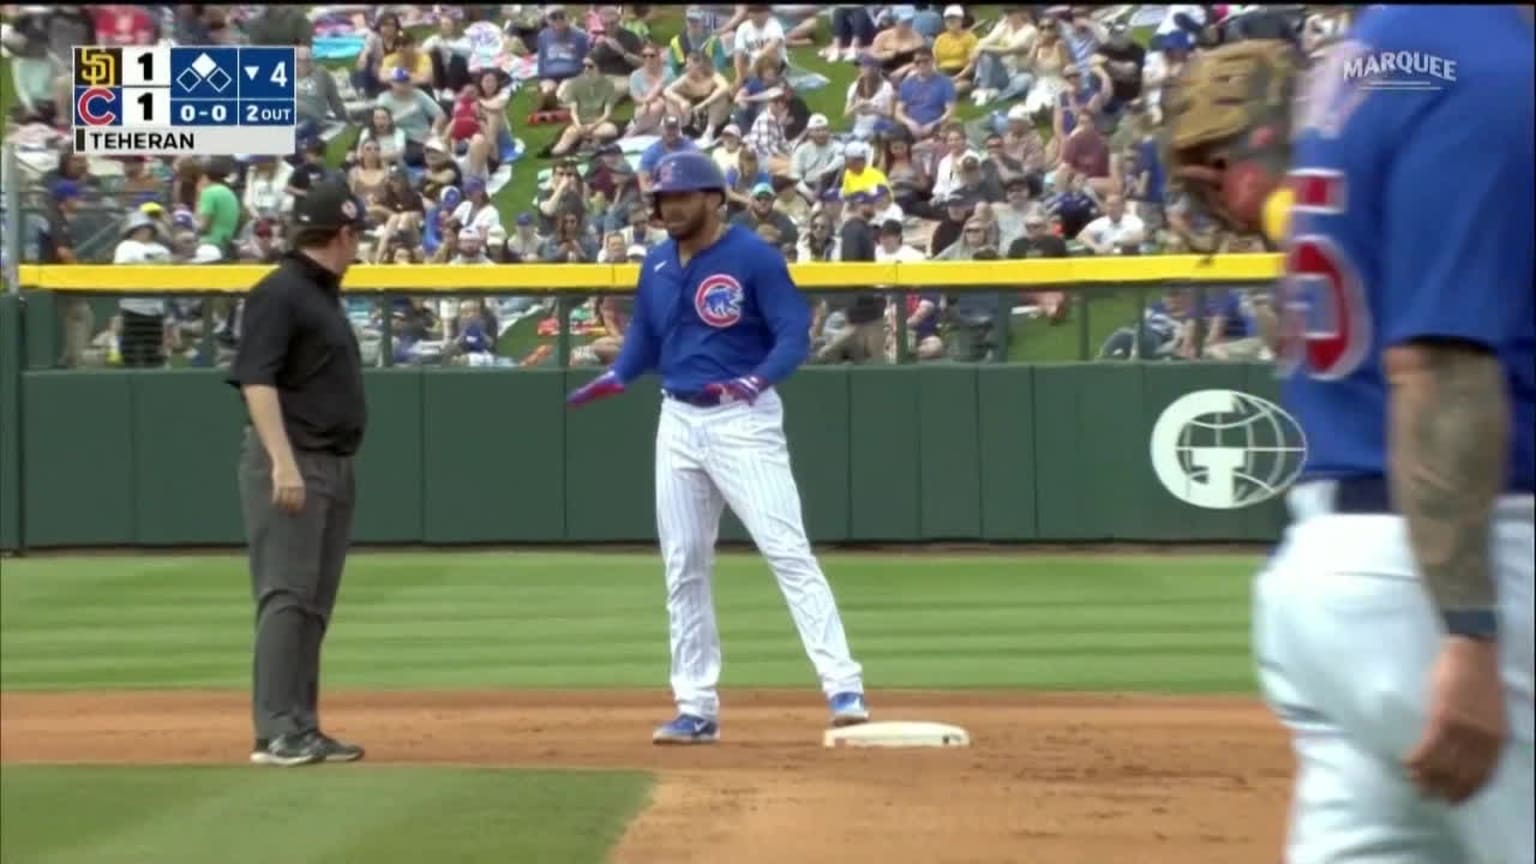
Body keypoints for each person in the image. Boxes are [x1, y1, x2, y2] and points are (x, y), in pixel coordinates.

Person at [1252, 7, 1534, 864]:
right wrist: (1469, 630)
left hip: (1329, 564)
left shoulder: (1370, 58)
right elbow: (1441, 367)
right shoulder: (1490, 70)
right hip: (1464, 561)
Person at [565, 151, 869, 743]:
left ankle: (844, 685)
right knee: (684, 565)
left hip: (743, 420)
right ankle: (696, 706)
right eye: (661, 199)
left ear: (713, 198)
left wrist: (758, 378)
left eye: (681, 196)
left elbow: (791, 335)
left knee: (786, 550)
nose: (668, 207)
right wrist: (619, 375)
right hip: (677, 420)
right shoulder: (655, 263)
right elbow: (647, 341)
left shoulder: (754, 258)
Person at [228, 181, 369, 767]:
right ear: (342, 234)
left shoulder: (318, 293)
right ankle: (277, 730)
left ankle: (303, 724)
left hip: (329, 461)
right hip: (293, 461)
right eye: (357, 234)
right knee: (287, 596)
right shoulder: (281, 292)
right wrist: (283, 461)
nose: (360, 245)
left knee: (312, 602)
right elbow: (256, 379)